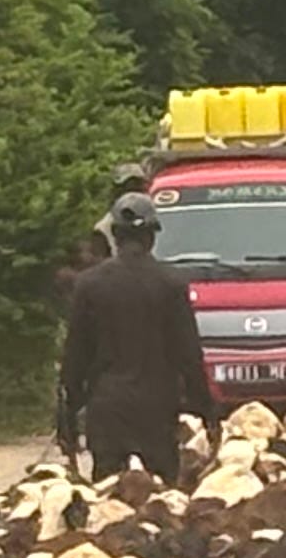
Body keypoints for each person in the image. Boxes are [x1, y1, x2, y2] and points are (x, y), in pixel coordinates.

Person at [55, 190, 213, 480]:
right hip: (157, 411)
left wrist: (67, 417)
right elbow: (189, 356)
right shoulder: (171, 284)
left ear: (115, 235)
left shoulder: (89, 285)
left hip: (107, 409)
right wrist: (208, 413)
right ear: (152, 237)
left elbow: (75, 357)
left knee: (108, 495)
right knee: (161, 495)